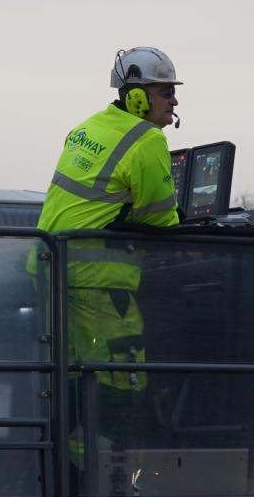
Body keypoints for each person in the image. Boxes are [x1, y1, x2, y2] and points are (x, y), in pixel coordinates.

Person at [36, 47, 184, 471]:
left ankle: (63, 474)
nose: (174, 101)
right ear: (136, 96)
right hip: (94, 283)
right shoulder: (147, 140)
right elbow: (162, 220)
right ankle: (96, 482)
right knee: (118, 378)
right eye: (165, 91)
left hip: (50, 271)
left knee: (67, 381)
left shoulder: (86, 128)